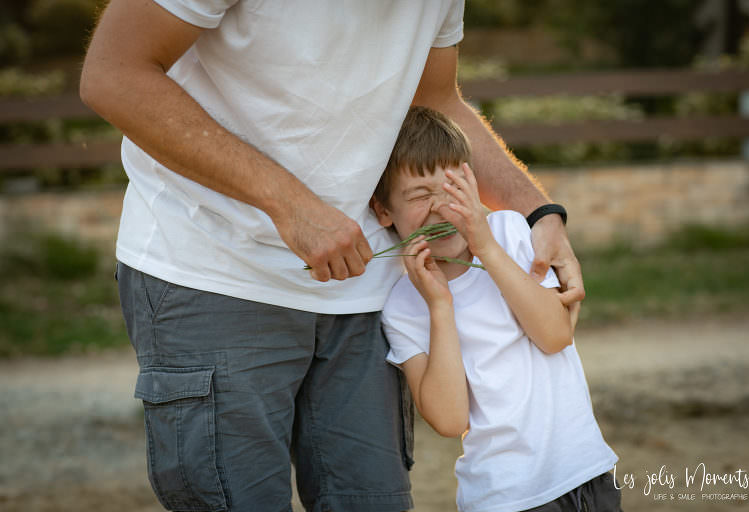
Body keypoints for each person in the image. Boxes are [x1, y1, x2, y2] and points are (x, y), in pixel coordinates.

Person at [80, 1, 585, 511]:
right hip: (214, 272)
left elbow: (432, 100)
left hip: (365, 294)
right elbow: (113, 74)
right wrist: (288, 201)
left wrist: (537, 211)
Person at [371, 106, 620, 512]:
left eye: (452, 190)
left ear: (471, 182)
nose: (441, 209)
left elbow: (555, 336)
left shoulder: (510, 232)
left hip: (586, 471)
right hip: (503, 497)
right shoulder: (402, 304)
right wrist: (440, 306)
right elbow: (450, 421)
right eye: (419, 196)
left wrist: (486, 246)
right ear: (384, 211)